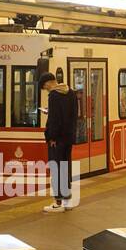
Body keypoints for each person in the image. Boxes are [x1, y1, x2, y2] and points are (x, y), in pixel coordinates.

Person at [41, 71, 78, 213]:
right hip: (68, 138)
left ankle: (58, 203)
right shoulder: (71, 93)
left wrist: (52, 137)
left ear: (50, 82)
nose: (46, 90)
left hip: (57, 140)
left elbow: (55, 120)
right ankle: (67, 201)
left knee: (56, 169)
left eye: (45, 87)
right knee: (65, 168)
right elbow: (73, 116)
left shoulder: (54, 96)